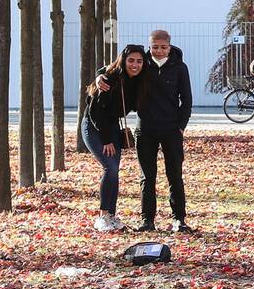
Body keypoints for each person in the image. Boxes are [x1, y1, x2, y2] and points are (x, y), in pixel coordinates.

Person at [96, 29, 194, 232]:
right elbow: (114, 68)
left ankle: (179, 219)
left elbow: (187, 100)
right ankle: (147, 220)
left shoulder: (179, 68)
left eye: (163, 47)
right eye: (155, 47)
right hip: (145, 129)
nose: (159, 51)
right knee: (147, 177)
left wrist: (180, 127)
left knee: (174, 175)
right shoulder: (141, 64)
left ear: (170, 46)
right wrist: (99, 76)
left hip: (171, 129)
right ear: (149, 46)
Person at [82, 44, 146, 232]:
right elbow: (95, 111)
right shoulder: (110, 79)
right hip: (95, 126)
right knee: (109, 166)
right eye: (131, 60)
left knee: (114, 170)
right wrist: (105, 140)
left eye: (139, 61)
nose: (135, 64)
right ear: (123, 60)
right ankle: (102, 216)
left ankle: (111, 215)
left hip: (112, 127)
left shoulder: (140, 79)